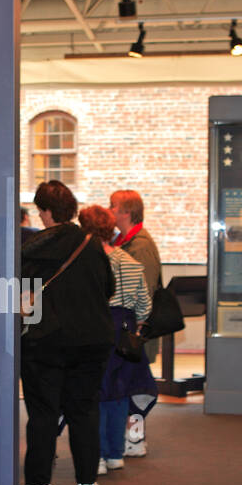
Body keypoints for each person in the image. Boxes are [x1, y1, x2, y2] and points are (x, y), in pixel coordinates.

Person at [20, 181, 115, 485]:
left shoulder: (32, 248)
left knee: (43, 415)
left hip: (44, 342)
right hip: (91, 341)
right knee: (85, 411)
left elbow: (23, 298)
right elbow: (109, 289)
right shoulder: (91, 243)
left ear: (45, 211)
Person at [78, 206, 154, 476]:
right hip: (124, 333)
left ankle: (96, 455)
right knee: (120, 394)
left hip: (93, 331)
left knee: (95, 394)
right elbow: (145, 306)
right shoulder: (130, 263)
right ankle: (114, 454)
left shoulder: (84, 261)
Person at [109, 190, 162, 458]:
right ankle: (131, 436)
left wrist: (138, 326)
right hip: (131, 327)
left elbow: (146, 288)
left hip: (135, 328)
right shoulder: (125, 241)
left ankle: (135, 437)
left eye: (113, 206)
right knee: (129, 382)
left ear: (126, 212)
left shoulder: (139, 244)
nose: (110, 211)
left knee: (135, 384)